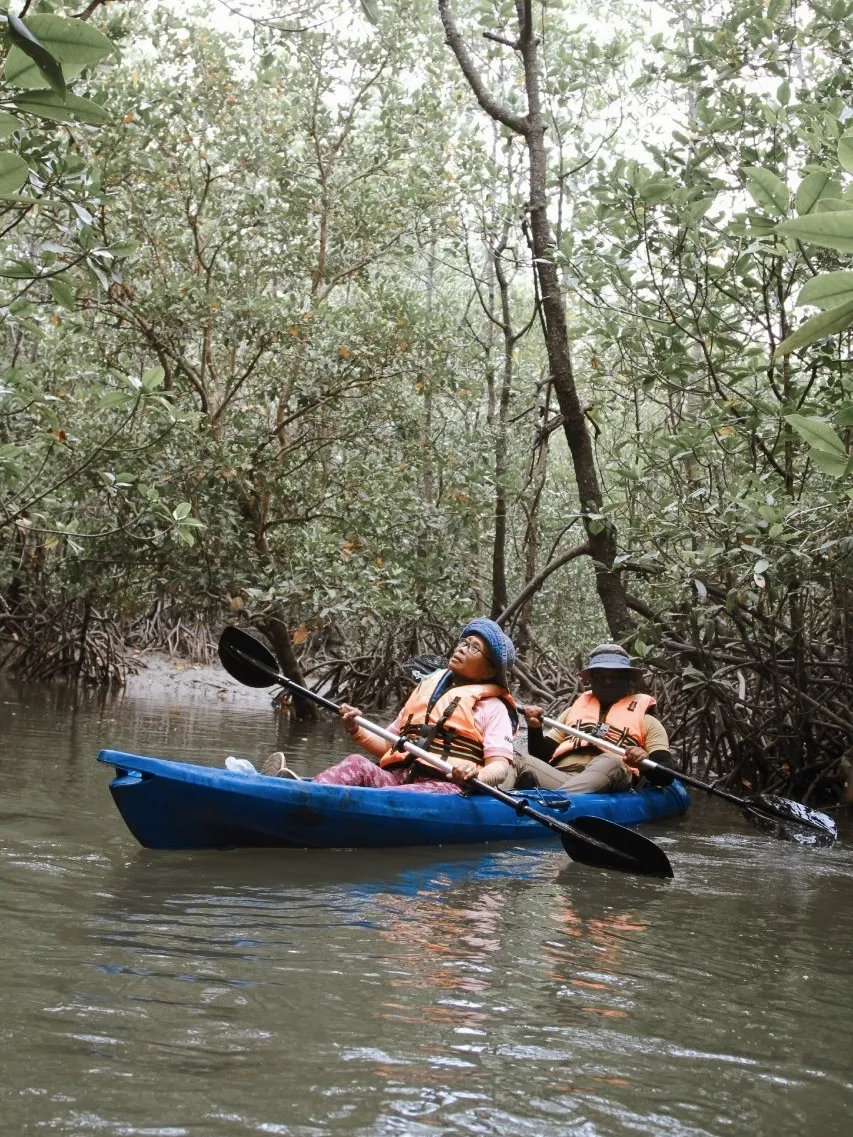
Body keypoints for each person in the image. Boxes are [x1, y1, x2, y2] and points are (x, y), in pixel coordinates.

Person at [263, 618, 519, 793]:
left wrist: (476, 774)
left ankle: (304, 797)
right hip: (399, 779)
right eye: (464, 642)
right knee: (357, 763)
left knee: (400, 795)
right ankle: (304, 792)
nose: (462, 648)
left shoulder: (493, 708)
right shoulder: (427, 691)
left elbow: (500, 766)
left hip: (447, 787)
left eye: (474, 648)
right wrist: (355, 728)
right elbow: (388, 745)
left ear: (489, 671)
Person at [519, 643, 674, 793]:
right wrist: (534, 729)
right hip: (564, 778)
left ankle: (554, 800)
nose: (608, 681)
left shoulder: (648, 722)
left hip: (612, 778)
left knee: (611, 760)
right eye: (600, 675)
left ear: (628, 680)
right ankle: (552, 798)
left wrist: (644, 763)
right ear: (591, 679)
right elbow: (542, 756)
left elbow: (666, 773)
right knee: (518, 760)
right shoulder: (570, 713)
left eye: (616, 676)